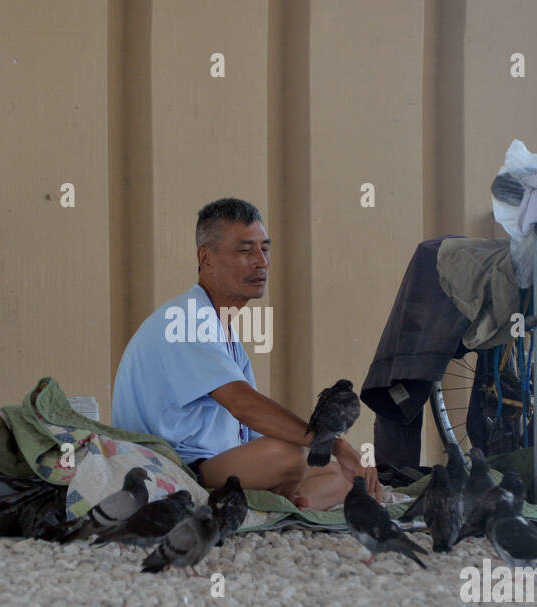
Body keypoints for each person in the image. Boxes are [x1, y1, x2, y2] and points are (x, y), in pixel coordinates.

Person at [111, 197, 380, 510]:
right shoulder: (185, 319)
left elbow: (250, 431)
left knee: (352, 477)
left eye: (264, 249)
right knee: (289, 455)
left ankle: (288, 501)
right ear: (206, 258)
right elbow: (244, 405)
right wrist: (335, 443)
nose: (261, 262)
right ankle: (280, 500)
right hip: (181, 471)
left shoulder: (222, 329)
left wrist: (334, 458)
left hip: (228, 464)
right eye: (245, 250)